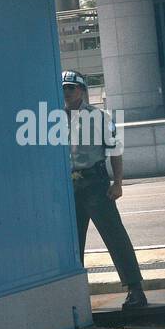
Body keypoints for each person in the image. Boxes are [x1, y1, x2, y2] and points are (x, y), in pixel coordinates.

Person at [61, 70, 147, 309]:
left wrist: (118, 182)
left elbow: (114, 151)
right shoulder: (54, 118)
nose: (67, 92)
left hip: (95, 184)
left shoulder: (99, 117)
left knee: (115, 236)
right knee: (71, 244)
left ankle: (135, 290)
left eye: (71, 87)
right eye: (63, 88)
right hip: (68, 187)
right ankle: (74, 296)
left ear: (82, 90)